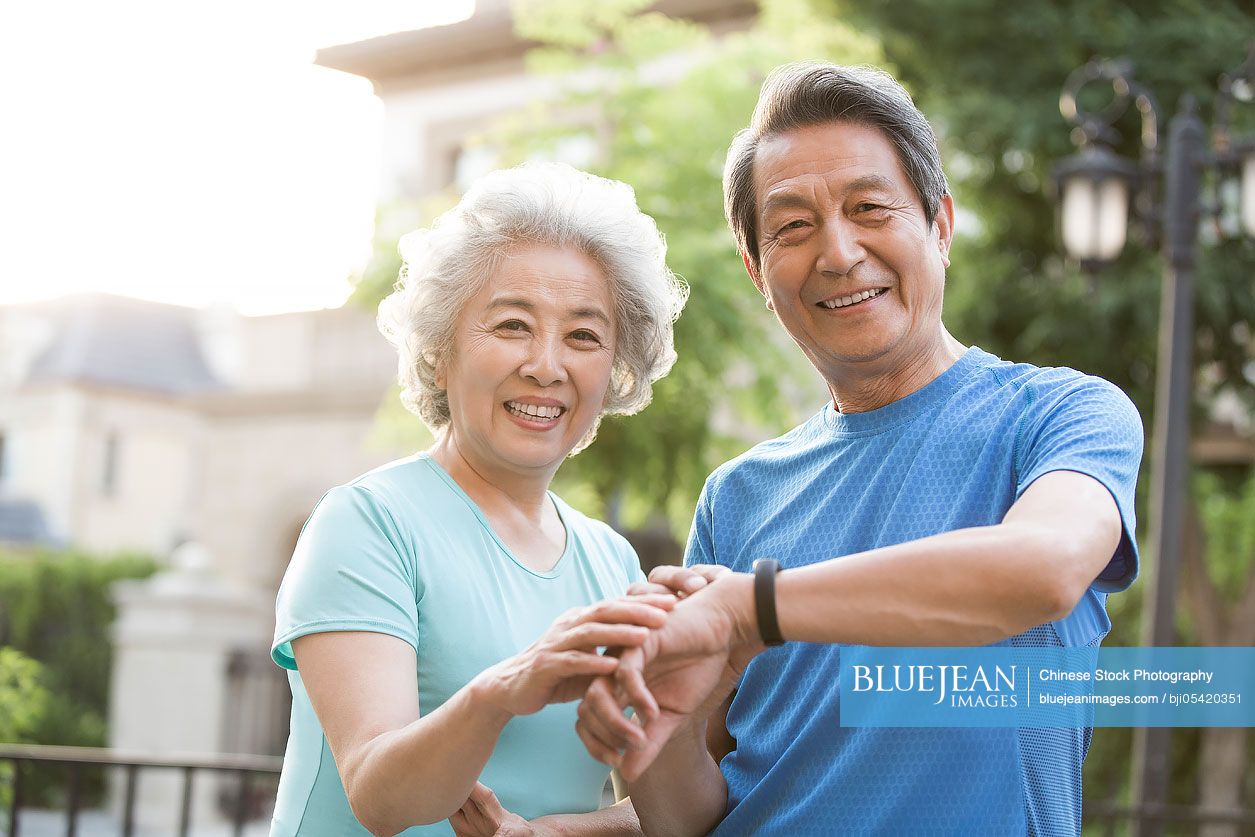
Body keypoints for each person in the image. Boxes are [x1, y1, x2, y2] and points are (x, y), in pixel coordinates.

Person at [577, 62, 1144, 836]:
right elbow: (695, 817)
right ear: (755, 269)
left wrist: (752, 607)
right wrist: (656, 729)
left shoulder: (1059, 415)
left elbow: (1042, 569)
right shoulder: (737, 493)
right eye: (791, 226)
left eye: (869, 207)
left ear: (939, 225)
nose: (838, 253)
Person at [269, 162, 689, 836]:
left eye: (583, 335)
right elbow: (380, 796)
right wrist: (505, 687)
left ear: (613, 371)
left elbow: (666, 809)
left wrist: (549, 832)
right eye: (513, 325)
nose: (546, 365)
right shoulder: (366, 524)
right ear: (439, 351)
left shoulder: (612, 561)